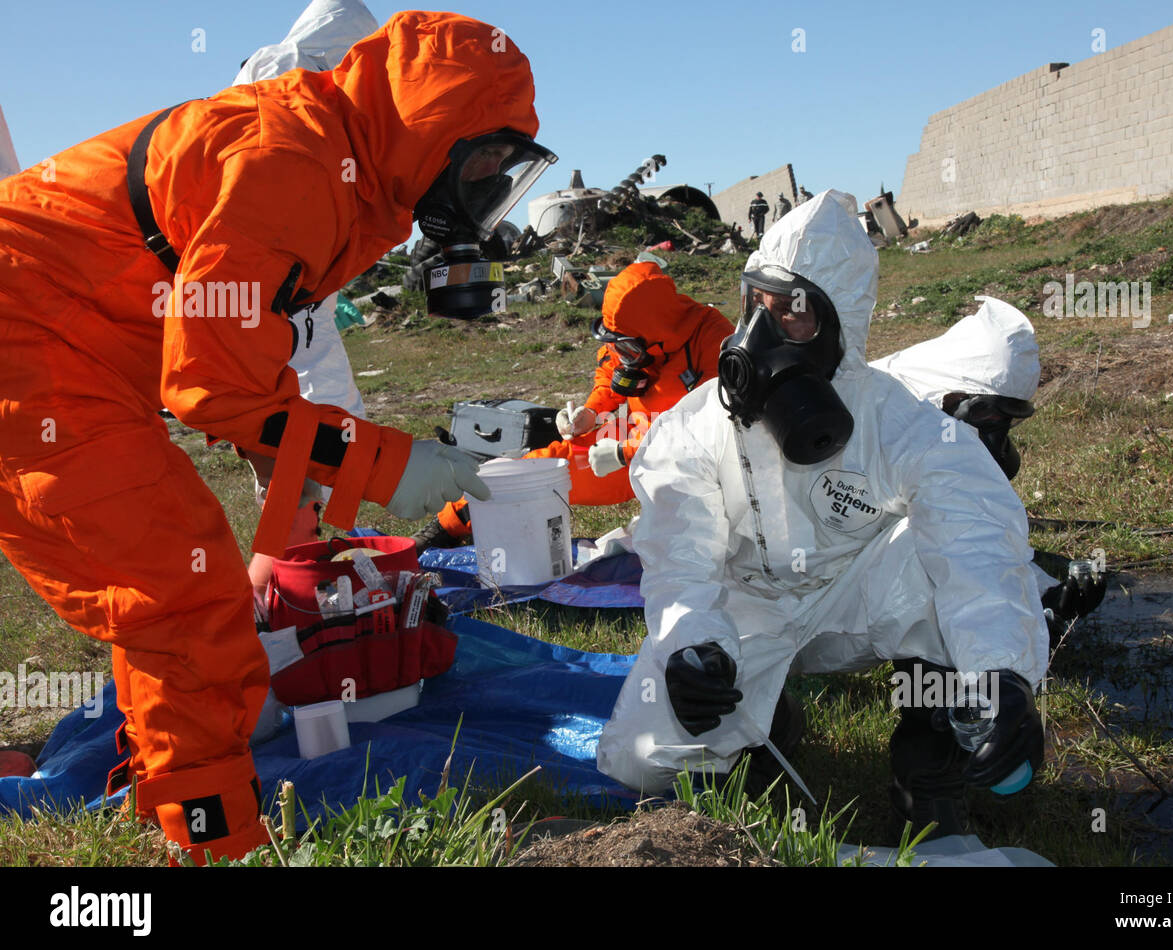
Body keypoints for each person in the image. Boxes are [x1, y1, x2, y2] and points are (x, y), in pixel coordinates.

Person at [0, 12, 553, 864]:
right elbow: (211, 387)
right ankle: (215, 844)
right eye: (481, 158)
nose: (486, 185)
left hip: (65, 340)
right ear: (428, 126)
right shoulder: (292, 166)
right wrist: (393, 465)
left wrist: (291, 461)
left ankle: (172, 801)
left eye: (502, 168)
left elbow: (242, 345)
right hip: (29, 343)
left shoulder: (334, 166)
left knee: (179, 590)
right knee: (177, 595)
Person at [597, 191, 1048, 838]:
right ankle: (766, 717)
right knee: (637, 765)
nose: (760, 334)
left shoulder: (896, 420)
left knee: (947, 573)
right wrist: (692, 643)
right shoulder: (695, 428)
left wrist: (1004, 672)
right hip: (744, 605)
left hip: (851, 599)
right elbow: (680, 551)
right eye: (758, 304)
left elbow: (976, 538)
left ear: (840, 327)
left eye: (795, 314)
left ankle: (931, 779)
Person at [417, 260, 734, 547]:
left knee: (686, 549)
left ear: (656, 335)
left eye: (628, 347)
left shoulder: (715, 341)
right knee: (545, 467)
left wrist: (627, 452)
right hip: (636, 436)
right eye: (618, 344)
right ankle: (449, 524)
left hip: (697, 469)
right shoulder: (631, 329)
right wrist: (592, 411)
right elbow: (613, 369)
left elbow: (706, 430)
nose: (622, 354)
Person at [234, 0, 379, 599]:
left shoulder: (282, 76)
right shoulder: (289, 81)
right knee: (287, 434)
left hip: (292, 298)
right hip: (268, 292)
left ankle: (297, 561)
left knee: (305, 434)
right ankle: (285, 580)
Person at [868, 296, 1107, 639]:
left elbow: (980, 526)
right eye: (993, 419)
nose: (997, 437)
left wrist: (1047, 594)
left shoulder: (944, 417)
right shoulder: (883, 415)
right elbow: (947, 535)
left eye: (1006, 422)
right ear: (956, 401)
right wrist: (1021, 607)